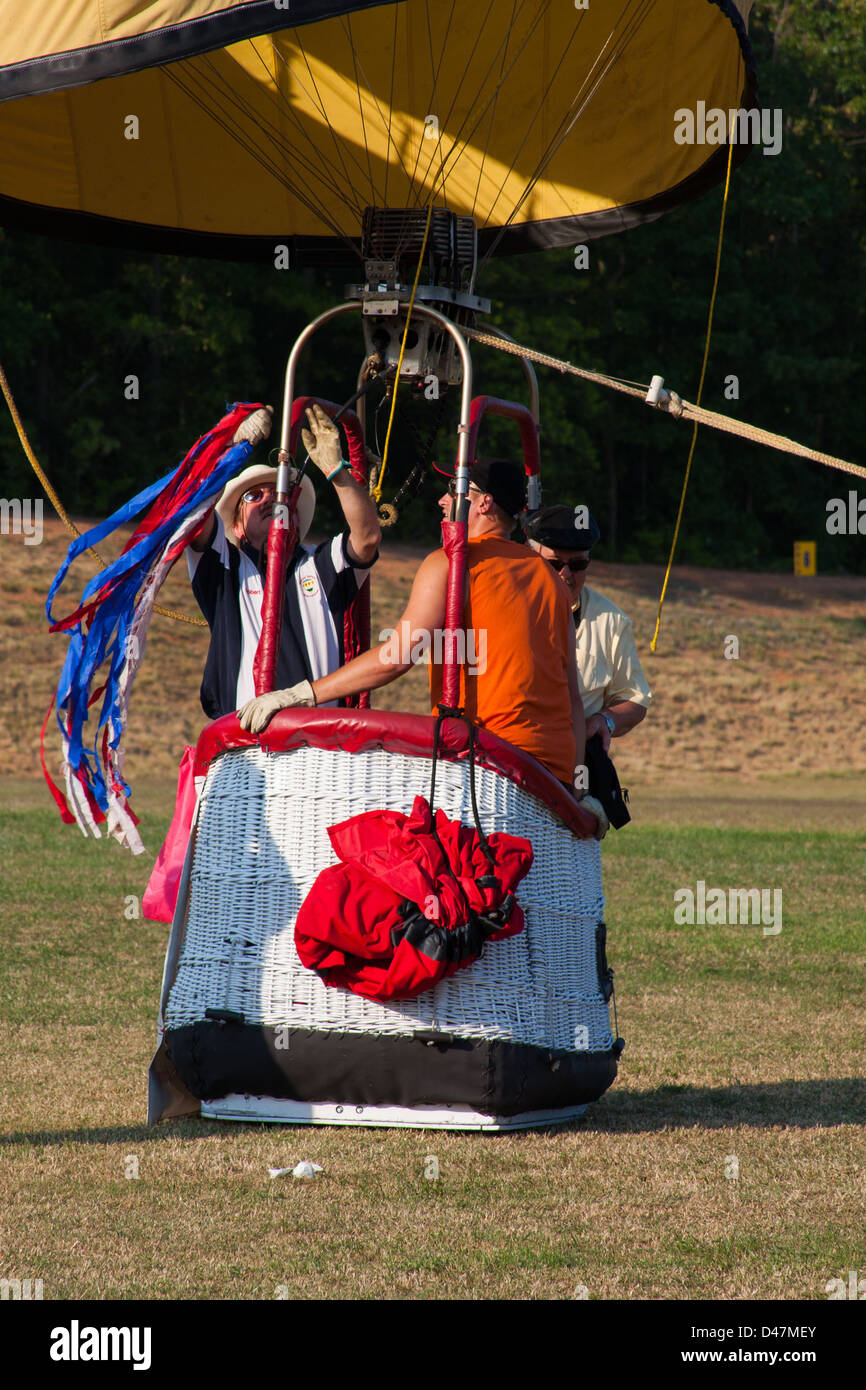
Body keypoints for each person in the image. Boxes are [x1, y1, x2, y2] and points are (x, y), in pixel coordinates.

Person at [238, 458, 586, 793]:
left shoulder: (450, 563)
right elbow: (573, 696)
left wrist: (300, 695)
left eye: (456, 488)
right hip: (554, 772)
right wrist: (578, 786)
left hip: (493, 764)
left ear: (484, 503)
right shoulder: (551, 579)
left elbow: (397, 656)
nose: (443, 499)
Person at [188, 404, 381, 719]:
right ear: (235, 526)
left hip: (317, 739)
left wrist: (337, 472)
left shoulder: (319, 563)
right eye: (253, 496)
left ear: (295, 514)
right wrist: (228, 448)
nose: (269, 500)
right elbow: (194, 509)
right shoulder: (225, 567)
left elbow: (367, 537)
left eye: (279, 495)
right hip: (244, 740)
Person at [523, 504, 652, 750]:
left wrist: (606, 720)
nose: (565, 574)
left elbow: (635, 698)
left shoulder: (612, 620)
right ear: (531, 560)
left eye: (578, 565)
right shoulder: (506, 608)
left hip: (574, 756)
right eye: (554, 564)